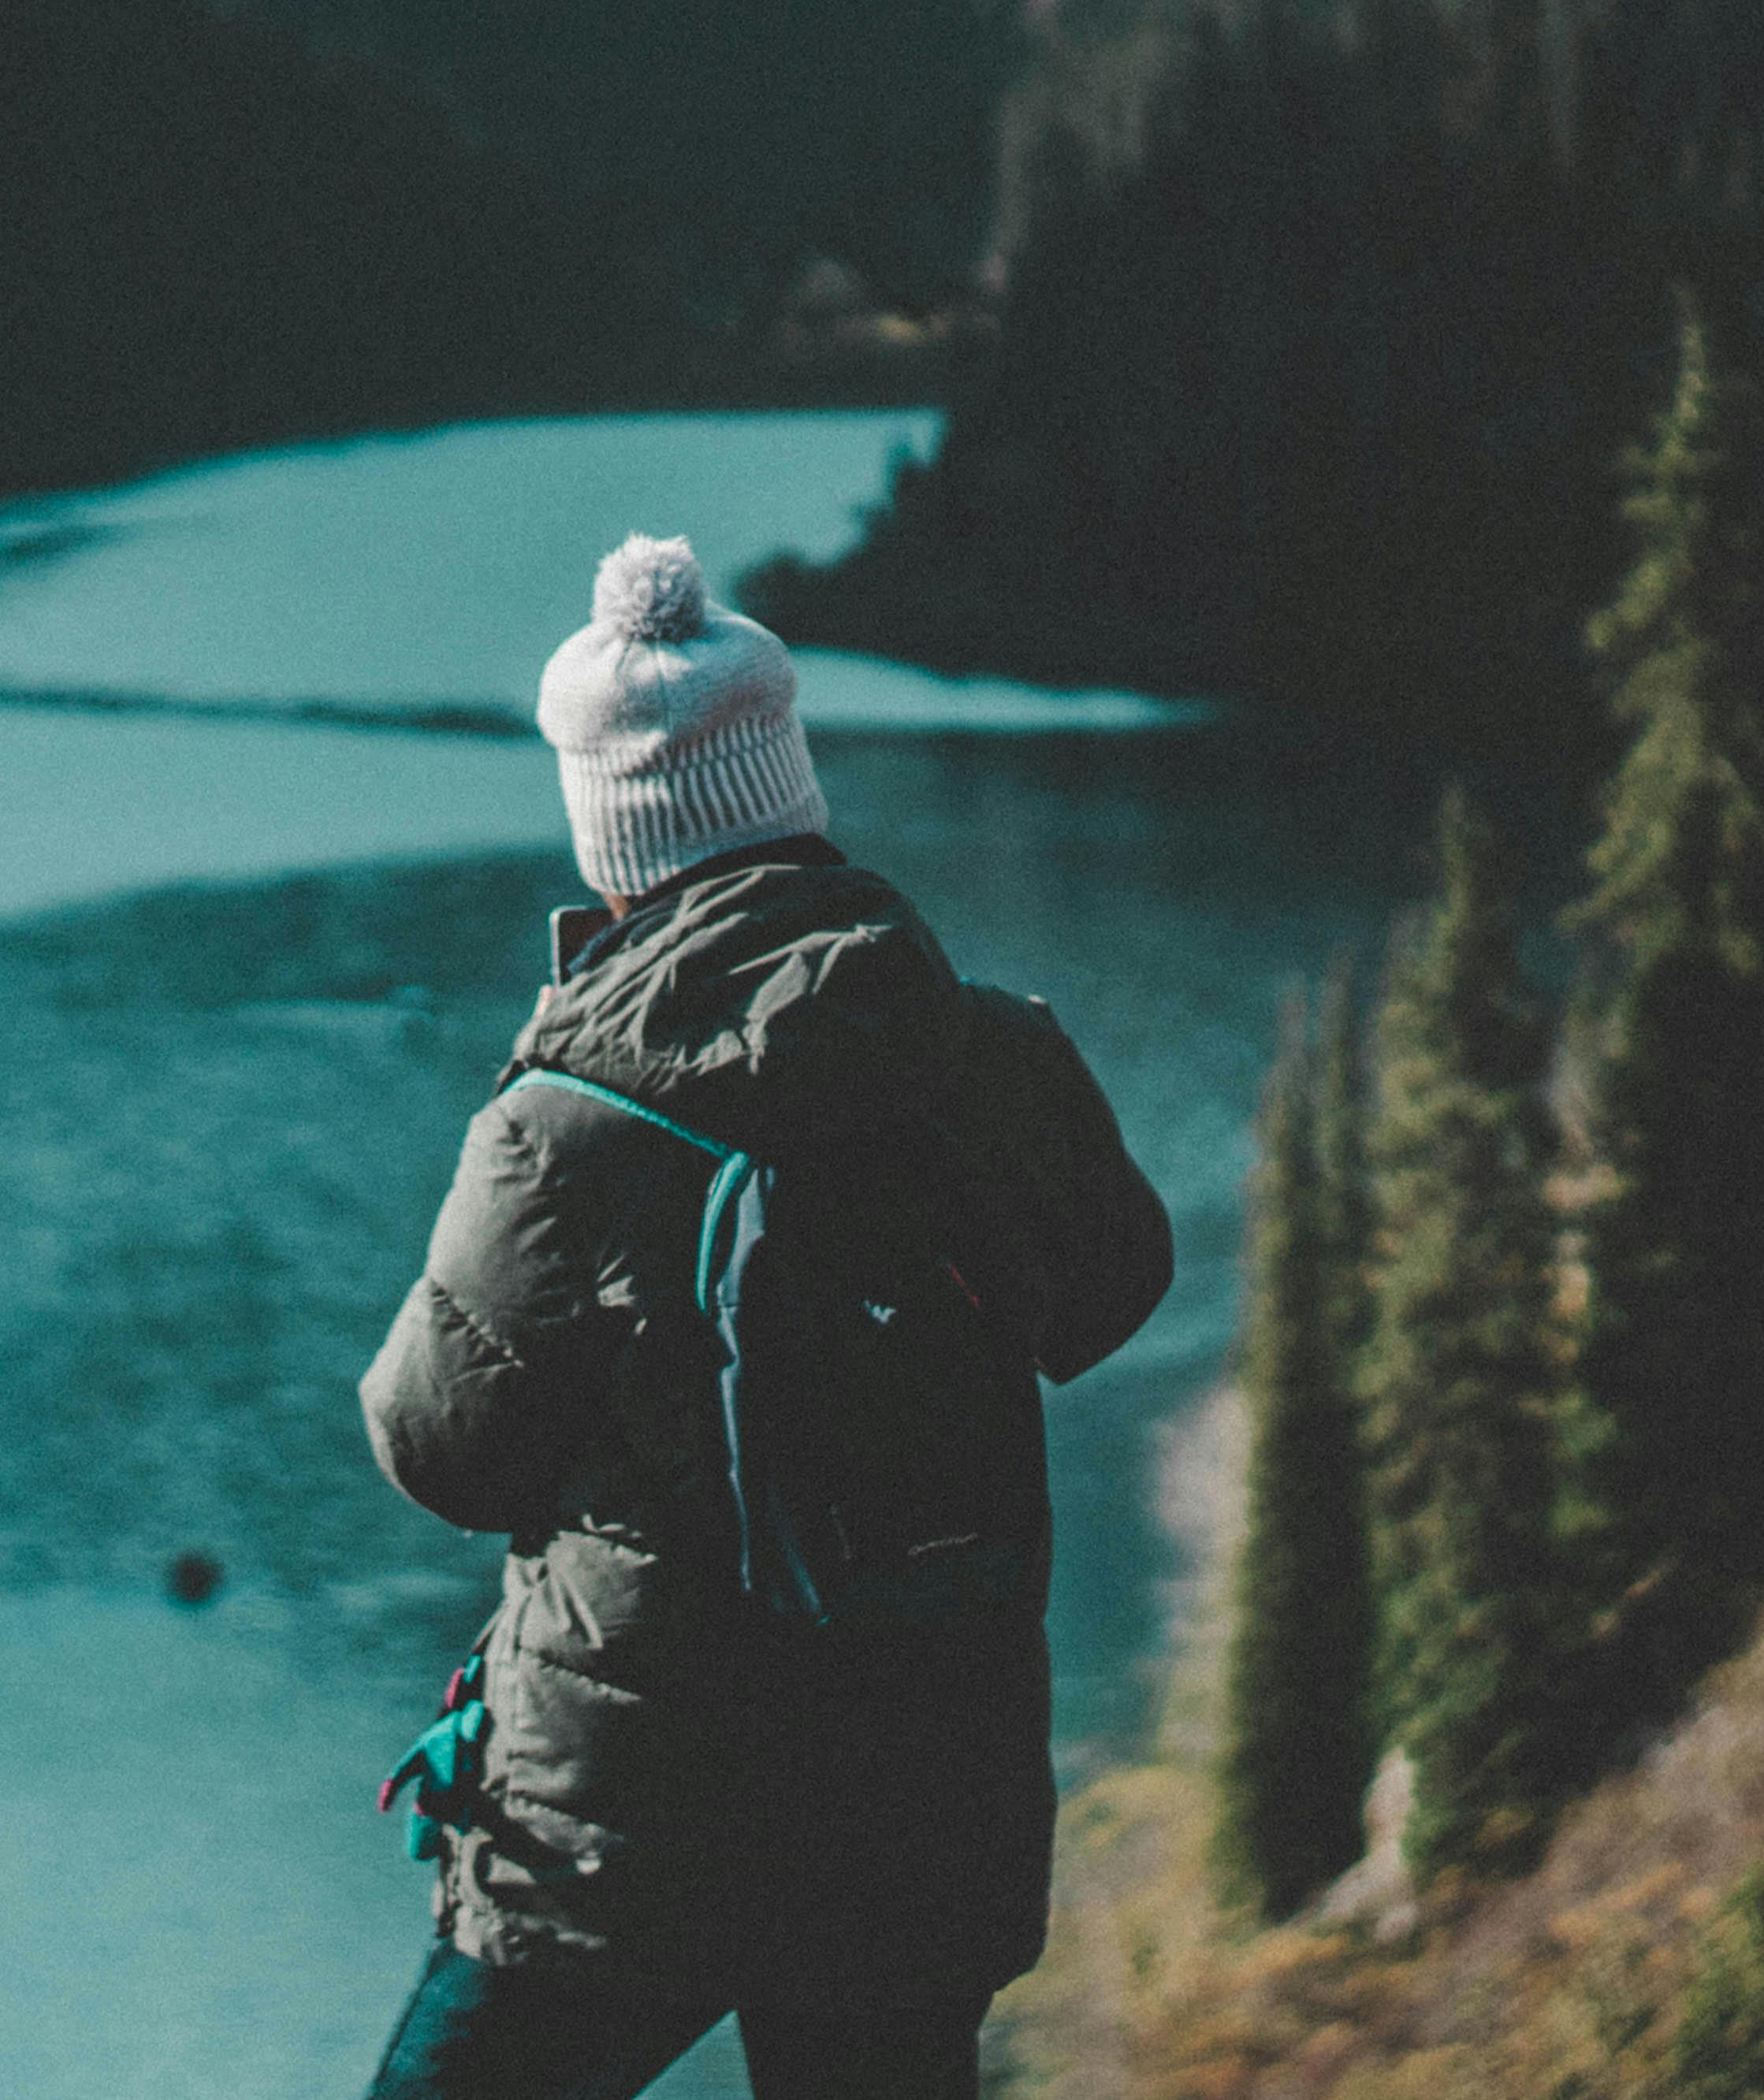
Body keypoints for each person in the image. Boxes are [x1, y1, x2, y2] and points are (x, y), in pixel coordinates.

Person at [354, 533, 1174, 2100]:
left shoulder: (563, 1126)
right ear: (790, 794)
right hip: (920, 1793)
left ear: (613, 837)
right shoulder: (989, 1054)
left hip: (626, 1822)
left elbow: (440, 1450)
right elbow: (1113, 1289)